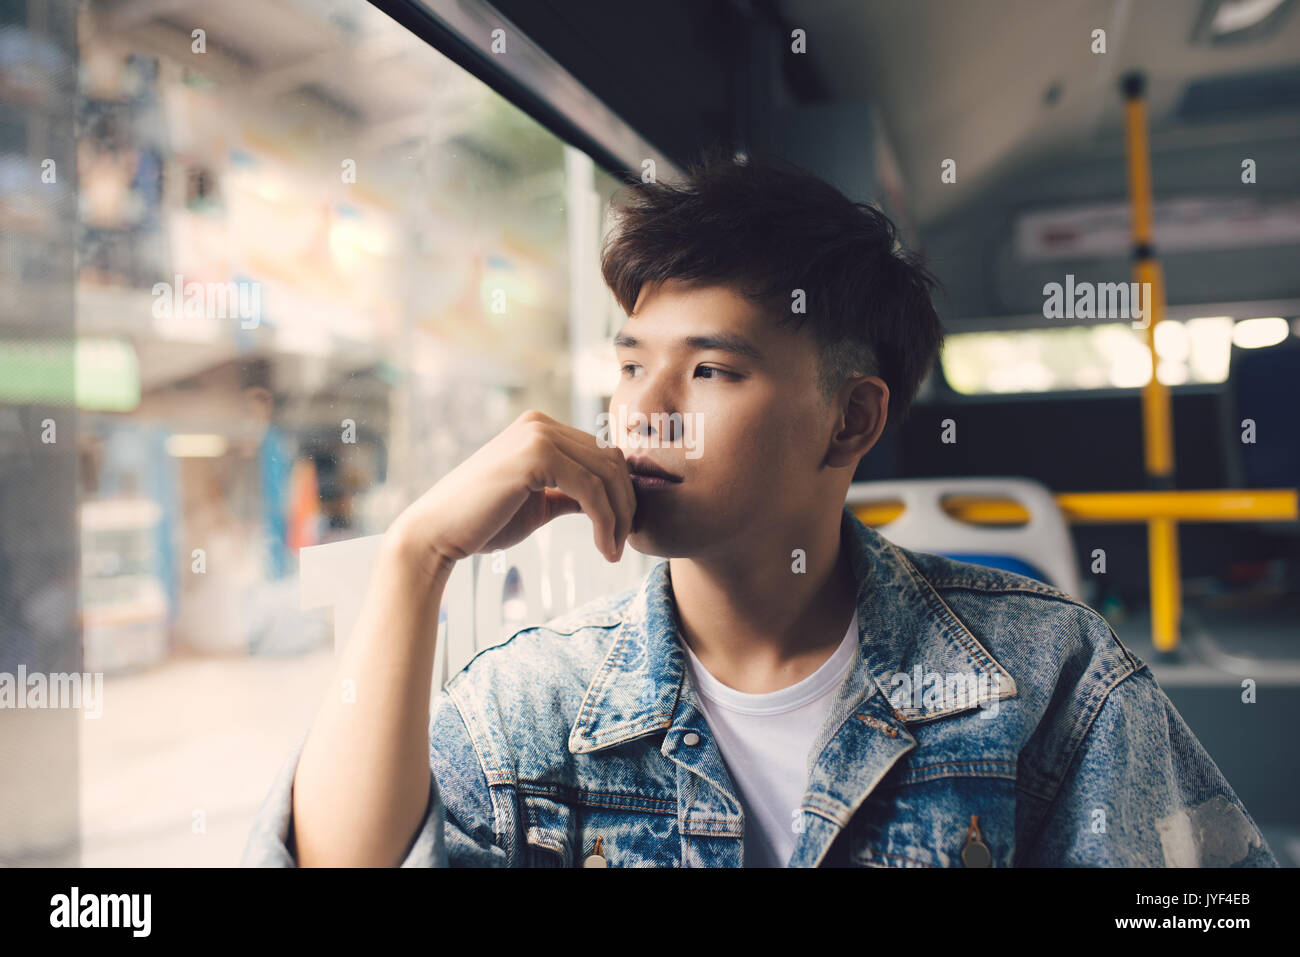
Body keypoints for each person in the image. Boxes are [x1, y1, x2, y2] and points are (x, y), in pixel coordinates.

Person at [242, 147, 1277, 867]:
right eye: (630, 364)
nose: (644, 412)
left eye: (711, 371)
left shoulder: (1048, 685)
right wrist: (416, 554)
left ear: (847, 421)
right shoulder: (539, 707)